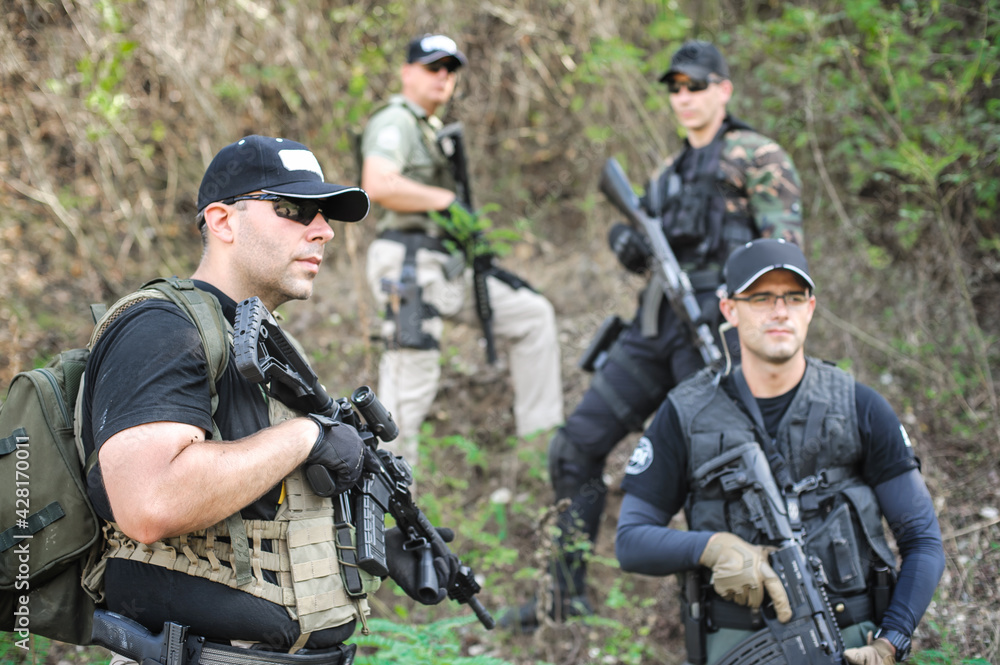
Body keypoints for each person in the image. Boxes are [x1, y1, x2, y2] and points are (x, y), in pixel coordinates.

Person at [81, 135, 460, 664]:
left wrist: (352, 544)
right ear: (222, 221)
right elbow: (150, 503)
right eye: (294, 209)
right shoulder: (162, 329)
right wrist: (308, 435)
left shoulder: (263, 340)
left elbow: (260, 508)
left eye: (324, 214)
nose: (323, 229)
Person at [505, 40, 804, 630]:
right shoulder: (667, 175)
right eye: (675, 87)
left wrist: (753, 323)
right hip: (654, 330)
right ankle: (566, 600)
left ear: (724, 89)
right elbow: (652, 248)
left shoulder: (756, 154)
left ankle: (739, 606)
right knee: (575, 446)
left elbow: (786, 260)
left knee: (723, 469)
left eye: (696, 85)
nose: (685, 97)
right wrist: (630, 247)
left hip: (715, 336)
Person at [617, 238, 945, 664]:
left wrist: (890, 642)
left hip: (852, 641)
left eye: (793, 297)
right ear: (729, 309)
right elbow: (631, 540)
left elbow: (922, 539)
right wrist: (710, 547)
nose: (779, 311)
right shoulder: (685, 414)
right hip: (740, 643)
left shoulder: (860, 406)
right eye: (760, 297)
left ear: (810, 307)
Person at [360, 34, 564, 467]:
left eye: (450, 69)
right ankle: (390, 504)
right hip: (408, 267)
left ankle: (541, 451)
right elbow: (377, 183)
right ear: (407, 72)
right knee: (408, 386)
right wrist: (444, 201)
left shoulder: (429, 128)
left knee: (532, 316)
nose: (443, 77)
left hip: (444, 266)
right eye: (433, 67)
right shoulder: (396, 120)